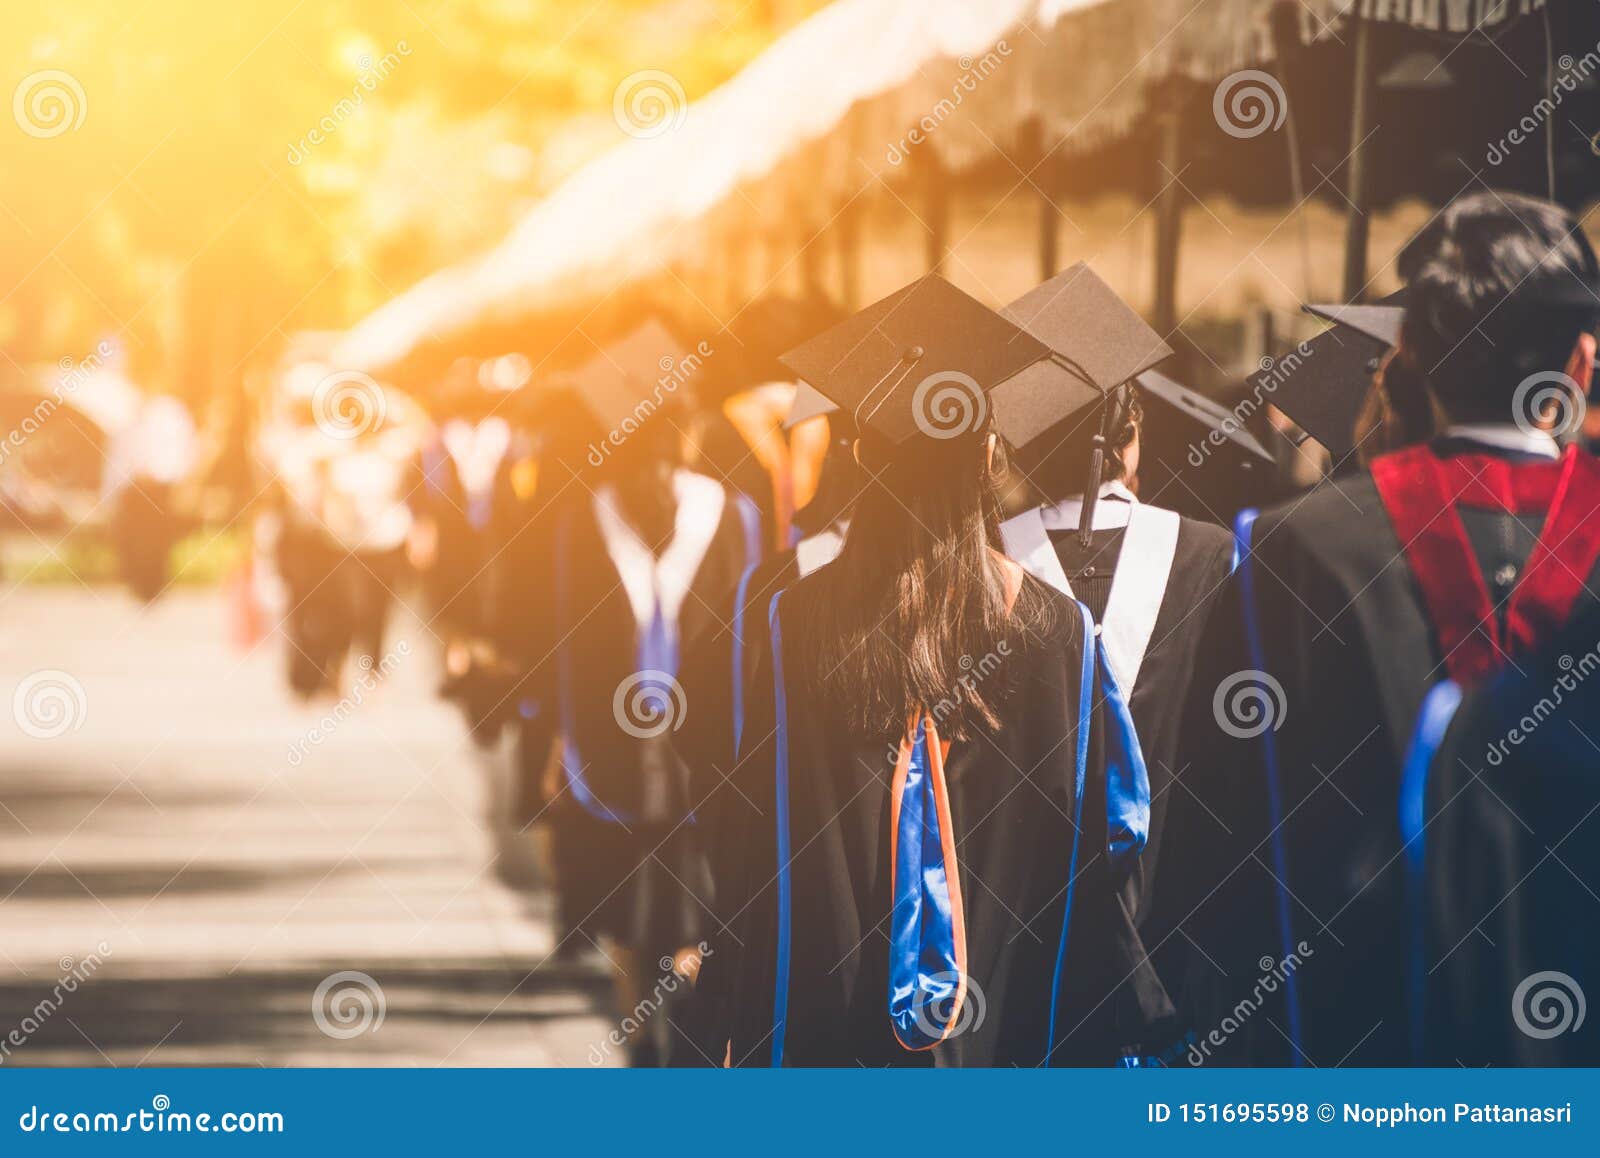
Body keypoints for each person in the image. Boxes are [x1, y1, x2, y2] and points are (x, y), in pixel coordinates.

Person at [1157, 190, 1600, 1067]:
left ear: (1415, 357)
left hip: (1362, 1037)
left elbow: (1221, 835)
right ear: (1581, 365)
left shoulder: (1301, 546)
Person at [706, 275, 1151, 1066]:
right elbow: (1109, 839)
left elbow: (748, 836)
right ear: (987, 451)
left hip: (832, 1033)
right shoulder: (1061, 633)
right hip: (1008, 1027)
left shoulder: (796, 623)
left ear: (857, 451)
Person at [988, 264, 1244, 1055]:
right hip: (1174, 947)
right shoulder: (1215, 556)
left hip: (1013, 957)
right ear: (1131, 441)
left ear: (1015, 448)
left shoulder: (982, 566)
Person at [516, 319, 762, 1066]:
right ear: (688, 430)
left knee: (627, 905)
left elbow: (558, 641)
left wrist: (556, 740)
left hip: (607, 742)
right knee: (693, 899)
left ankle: (642, 1040)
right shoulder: (738, 516)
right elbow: (752, 642)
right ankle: (684, 1035)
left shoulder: (578, 521)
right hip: (707, 746)